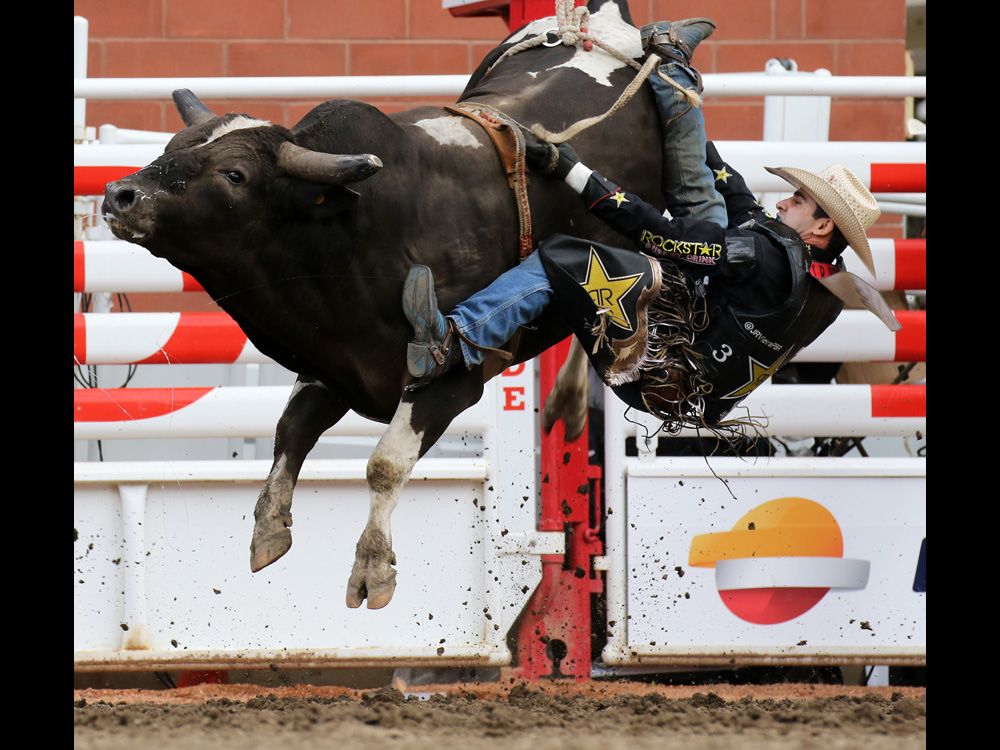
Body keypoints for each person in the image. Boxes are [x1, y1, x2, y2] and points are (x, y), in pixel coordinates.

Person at [402, 18, 898, 430]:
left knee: (562, 254)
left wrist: (569, 168)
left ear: (821, 228)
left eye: (800, 200)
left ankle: (454, 342)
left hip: (662, 370)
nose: (786, 202)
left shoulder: (761, 256)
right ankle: (674, 77)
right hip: (695, 377)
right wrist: (679, 110)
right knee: (705, 209)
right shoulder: (819, 286)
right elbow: (736, 192)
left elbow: (658, 235)